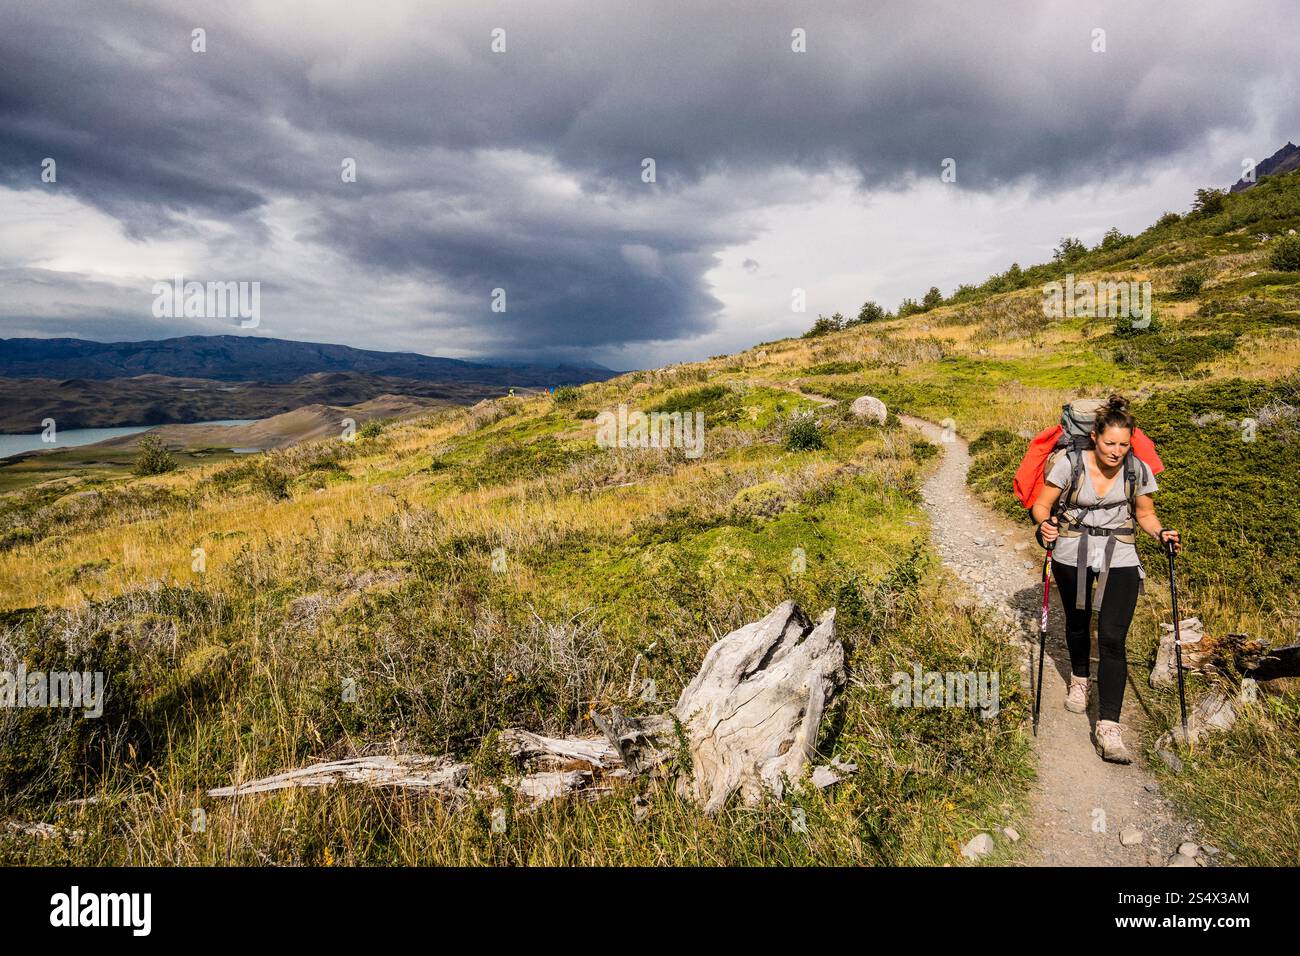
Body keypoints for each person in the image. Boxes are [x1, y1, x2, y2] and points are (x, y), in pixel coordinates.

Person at [1031, 394, 1181, 763]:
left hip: (1121, 553)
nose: (1116, 451)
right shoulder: (1069, 464)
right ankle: (1080, 679)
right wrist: (1045, 525)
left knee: (1113, 637)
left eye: (1123, 445)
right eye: (1110, 443)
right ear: (1095, 437)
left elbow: (1145, 514)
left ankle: (1110, 726)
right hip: (1071, 550)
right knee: (1079, 622)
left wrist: (1161, 534)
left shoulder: (1136, 470)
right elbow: (1041, 505)